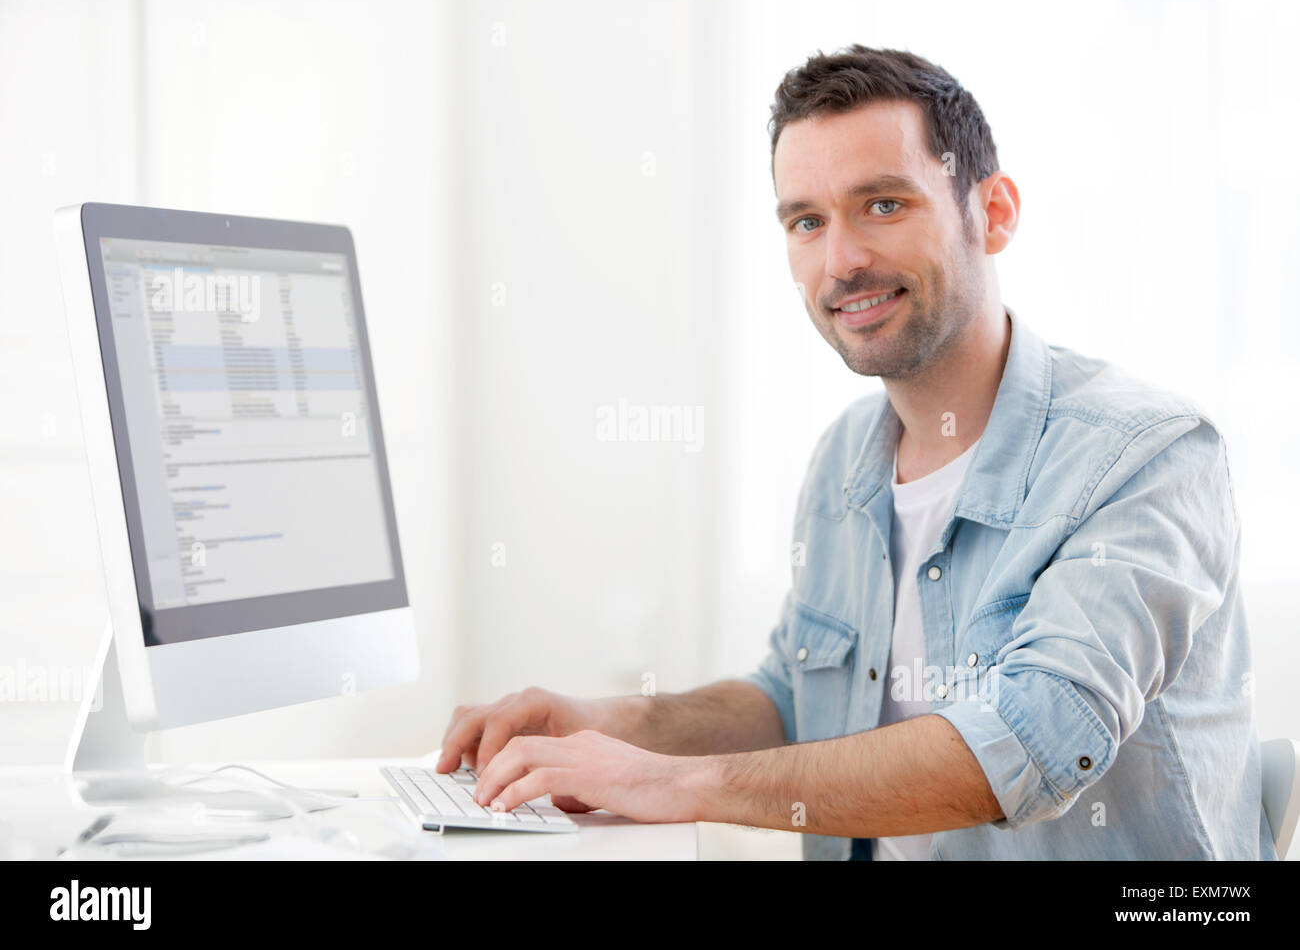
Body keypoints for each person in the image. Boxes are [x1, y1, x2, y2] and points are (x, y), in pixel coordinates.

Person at [437, 45, 1277, 860]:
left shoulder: (1148, 456)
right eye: (807, 221)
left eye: (883, 204)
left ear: (994, 213)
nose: (841, 261)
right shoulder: (847, 459)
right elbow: (794, 699)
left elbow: (1030, 741)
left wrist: (673, 781)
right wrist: (606, 723)